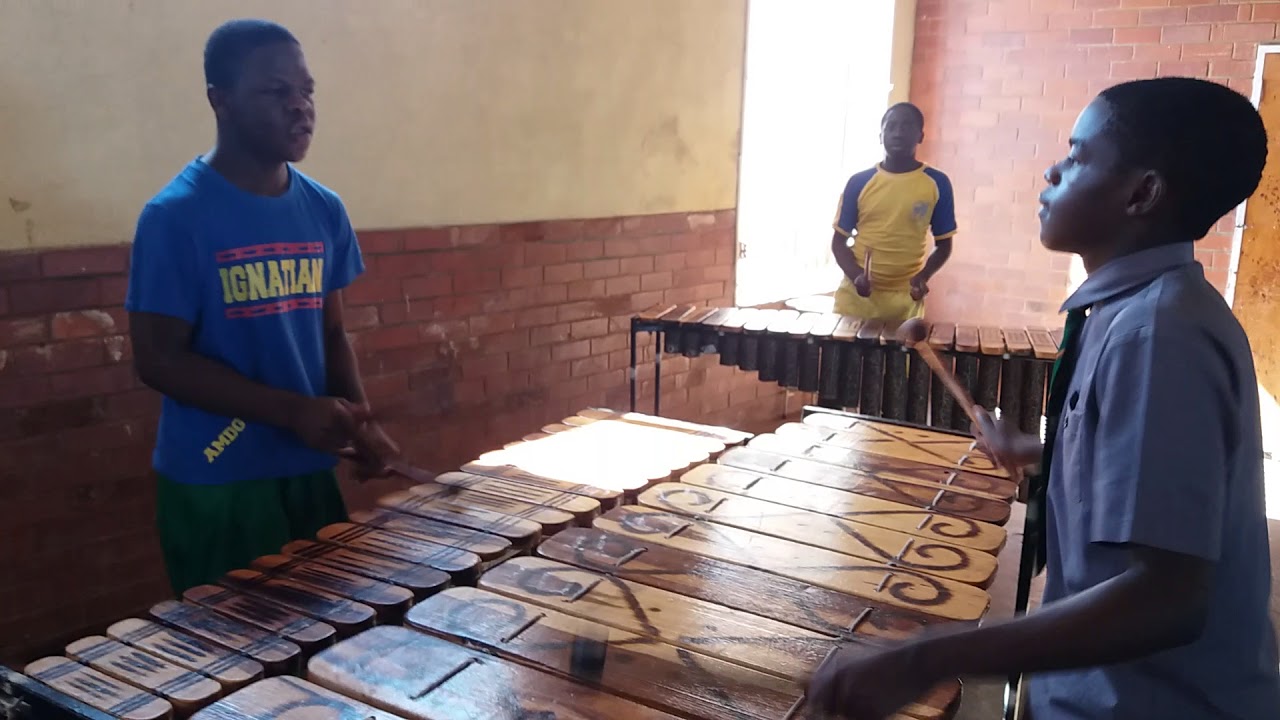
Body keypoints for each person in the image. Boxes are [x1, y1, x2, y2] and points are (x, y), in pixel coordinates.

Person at [808, 77, 1280, 719]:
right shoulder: (1137, 311)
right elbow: (1140, 467)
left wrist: (926, 656)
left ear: (1142, 193)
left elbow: (1166, 599)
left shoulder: (1155, 334)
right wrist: (1043, 453)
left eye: (1080, 156)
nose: (1054, 170)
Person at [125, 19, 400, 595]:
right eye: (276, 92)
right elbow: (158, 361)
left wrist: (357, 417)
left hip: (306, 471)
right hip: (218, 478)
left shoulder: (324, 209)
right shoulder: (176, 216)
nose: (300, 107)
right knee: (238, 664)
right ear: (218, 100)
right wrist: (293, 411)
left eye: (307, 91)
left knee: (328, 644)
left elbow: (331, 334)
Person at [829, 102, 956, 322]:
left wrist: (923, 277)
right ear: (881, 135)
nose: (898, 133)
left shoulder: (937, 183)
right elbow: (838, 243)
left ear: (920, 136)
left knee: (898, 357)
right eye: (891, 127)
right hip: (856, 299)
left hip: (904, 301)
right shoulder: (859, 182)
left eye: (907, 127)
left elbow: (944, 245)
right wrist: (856, 276)